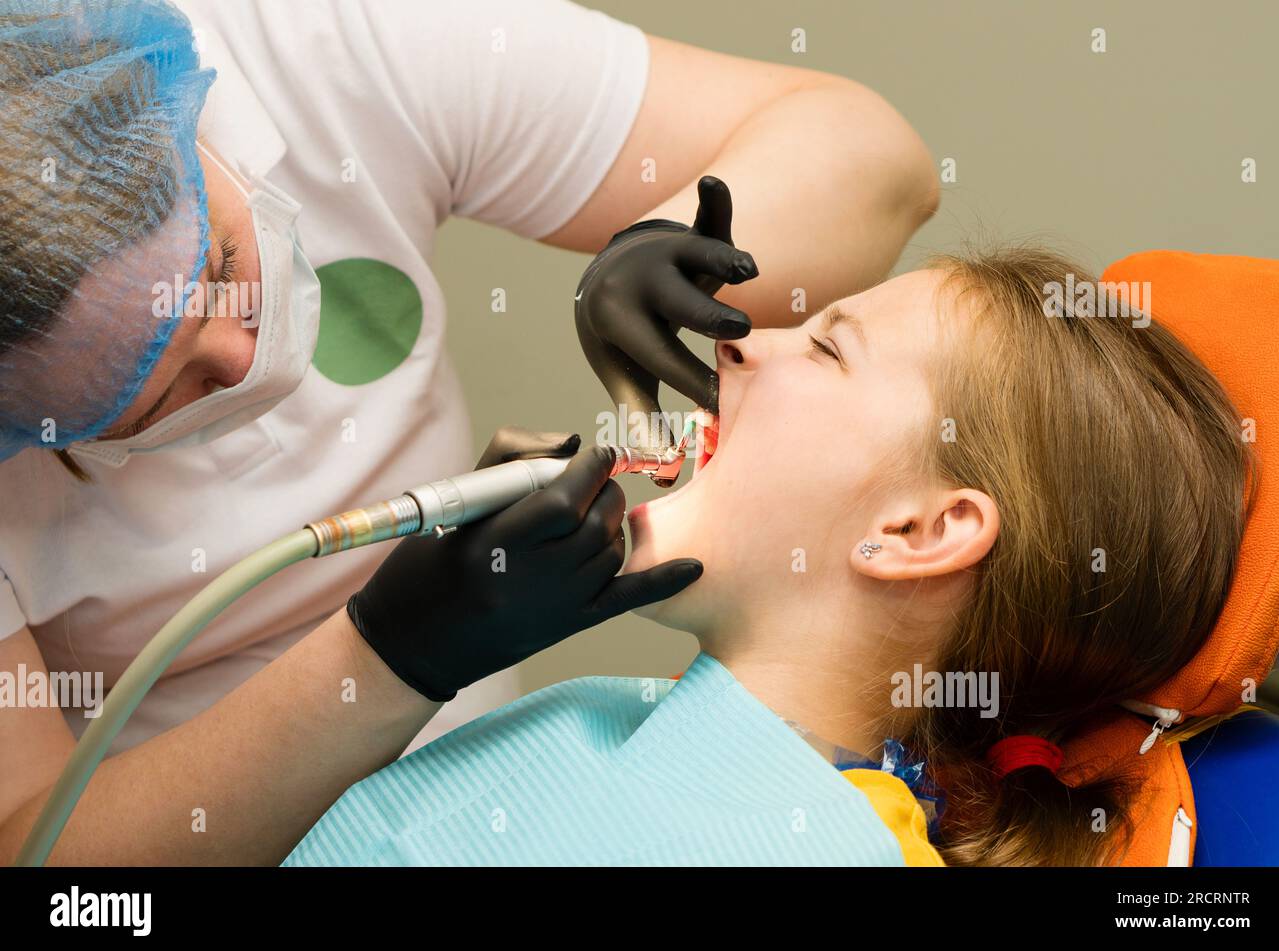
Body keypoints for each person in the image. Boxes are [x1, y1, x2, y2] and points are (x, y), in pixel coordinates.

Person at [0, 0, 937, 864]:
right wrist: (382, 660)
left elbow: (876, 160)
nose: (245, 361)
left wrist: (650, 247)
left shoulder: (324, 40)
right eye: (163, 393)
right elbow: (39, 868)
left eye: (224, 266)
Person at [288, 247, 1253, 866]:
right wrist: (389, 657)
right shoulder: (586, 717)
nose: (738, 350)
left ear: (922, 531)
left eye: (830, 351)